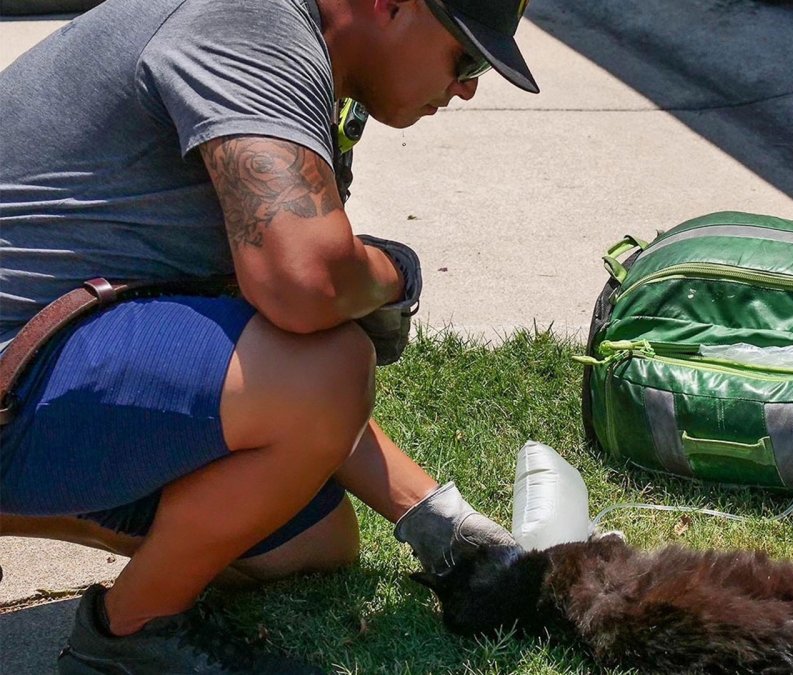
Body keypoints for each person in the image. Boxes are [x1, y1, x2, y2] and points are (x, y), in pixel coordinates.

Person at [0, 0, 539, 671]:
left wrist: (437, 522)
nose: (467, 86)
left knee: (309, 542)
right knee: (330, 365)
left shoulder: (290, 46)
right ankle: (128, 635)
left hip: (38, 352)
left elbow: (260, 341)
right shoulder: (249, 24)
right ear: (389, 5)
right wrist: (394, 274)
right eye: (467, 56)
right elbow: (306, 280)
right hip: (17, 362)